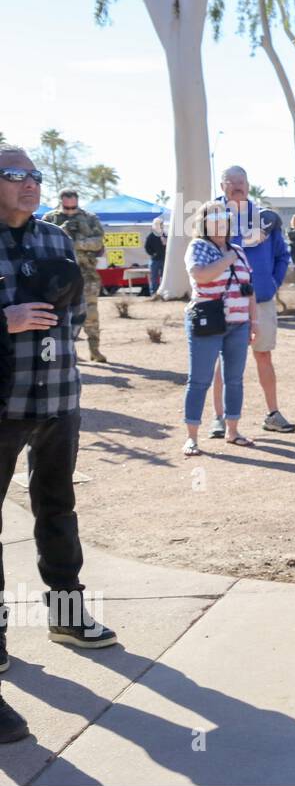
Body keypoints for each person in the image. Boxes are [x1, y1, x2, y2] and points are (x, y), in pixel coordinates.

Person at [0, 148, 118, 745]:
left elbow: (71, 309)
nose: (31, 184)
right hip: (1, 406)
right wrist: (6, 319)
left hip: (56, 401)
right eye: (16, 175)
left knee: (57, 509)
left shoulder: (54, 238)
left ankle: (68, 618)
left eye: (35, 176)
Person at [208, 168, 295, 437]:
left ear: (248, 185)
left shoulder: (265, 218)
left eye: (241, 182)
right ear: (222, 185)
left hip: (263, 300)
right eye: (231, 182)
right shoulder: (211, 216)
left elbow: (282, 255)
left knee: (263, 355)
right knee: (223, 359)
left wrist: (272, 282)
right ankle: (219, 418)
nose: (237, 186)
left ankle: (273, 414)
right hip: (226, 301)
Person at [182, 200, 258, 456]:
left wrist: (252, 321)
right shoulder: (199, 247)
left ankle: (232, 431)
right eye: (213, 218)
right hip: (208, 323)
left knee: (234, 380)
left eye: (223, 218)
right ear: (203, 223)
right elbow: (201, 276)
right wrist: (226, 259)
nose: (219, 223)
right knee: (199, 380)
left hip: (238, 324)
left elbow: (249, 289)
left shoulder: (238, 249)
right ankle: (192, 438)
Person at [43, 188, 107, 363]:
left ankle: (95, 350)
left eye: (74, 208)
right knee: (61, 315)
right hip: (58, 277)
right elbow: (44, 243)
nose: (71, 212)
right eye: (67, 209)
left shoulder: (89, 218)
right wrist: (63, 232)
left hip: (86, 274)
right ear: (61, 202)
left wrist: (75, 241)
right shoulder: (50, 219)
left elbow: (98, 243)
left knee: (91, 312)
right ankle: (68, 351)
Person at [144, 216, 167, 297]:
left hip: (164, 259)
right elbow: (147, 247)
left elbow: (169, 246)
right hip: (154, 260)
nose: (160, 226)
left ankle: (162, 293)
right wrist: (153, 253)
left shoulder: (164, 235)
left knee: (163, 277)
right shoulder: (151, 236)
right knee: (154, 277)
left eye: (161, 224)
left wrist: (165, 243)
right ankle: (154, 293)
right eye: (158, 224)